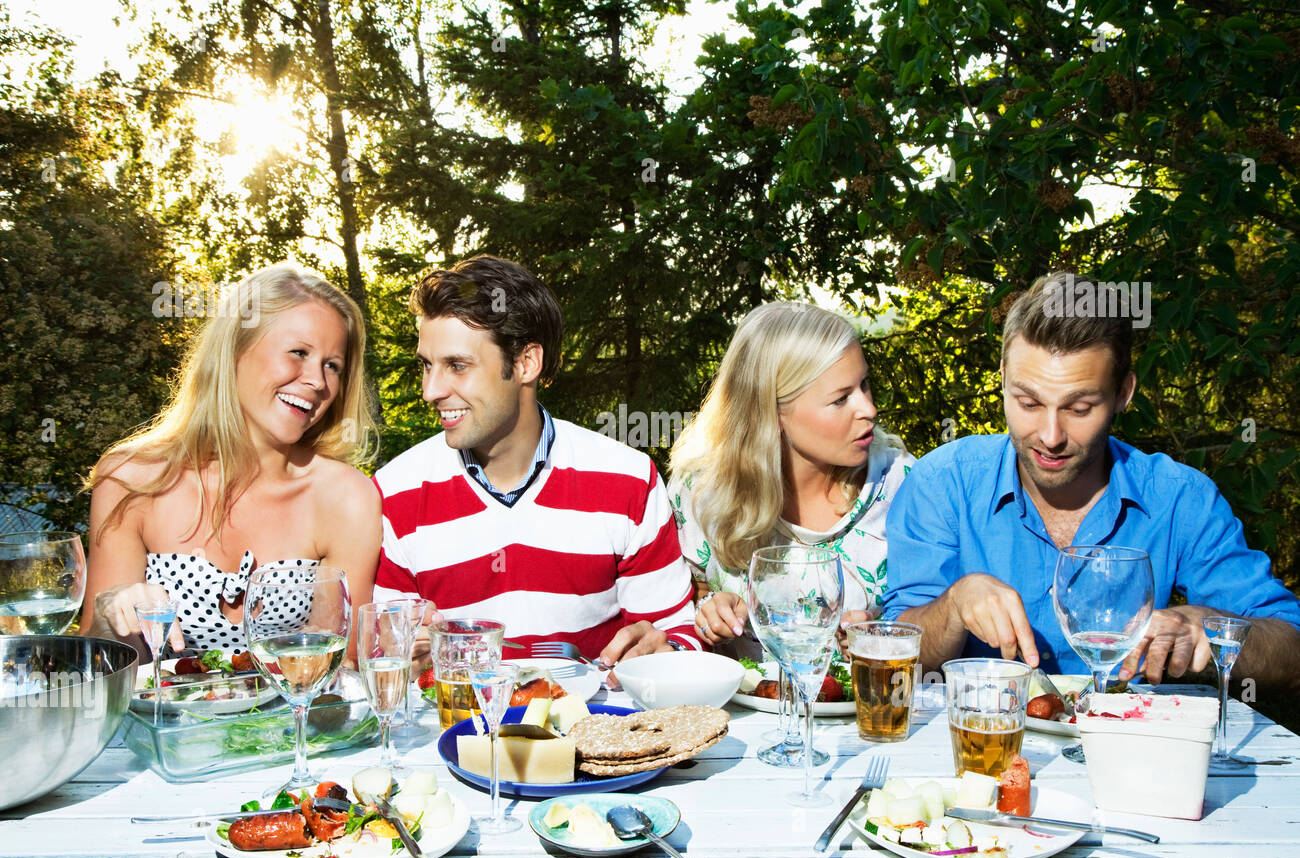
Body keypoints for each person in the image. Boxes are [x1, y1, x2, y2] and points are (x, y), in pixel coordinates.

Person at [882, 272, 1300, 686]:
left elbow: (1291, 646)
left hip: (1131, 746)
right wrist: (954, 606)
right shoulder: (944, 482)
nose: (1050, 436)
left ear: (1123, 393)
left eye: (1079, 408)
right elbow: (893, 650)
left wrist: (1212, 629)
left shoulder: (1180, 498)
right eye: (1028, 402)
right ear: (1003, 377)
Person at [372, 254, 698, 663]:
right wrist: (399, 652)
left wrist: (664, 648)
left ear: (526, 363)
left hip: (598, 724)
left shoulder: (628, 479)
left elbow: (677, 634)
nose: (431, 390)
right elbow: (379, 652)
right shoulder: (395, 491)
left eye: (457, 366)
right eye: (427, 366)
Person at [80, 264, 381, 663]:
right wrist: (114, 611)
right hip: (158, 723)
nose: (317, 381)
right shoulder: (131, 479)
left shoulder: (346, 497)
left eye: (333, 365)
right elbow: (99, 661)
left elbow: (341, 665)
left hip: (290, 724)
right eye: (298, 353)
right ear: (236, 350)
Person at [669, 302, 914, 657]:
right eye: (841, 398)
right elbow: (680, 604)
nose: (868, 409)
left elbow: (931, 619)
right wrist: (709, 610)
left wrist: (883, 635)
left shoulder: (902, 484)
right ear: (772, 411)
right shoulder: (700, 489)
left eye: (865, 386)